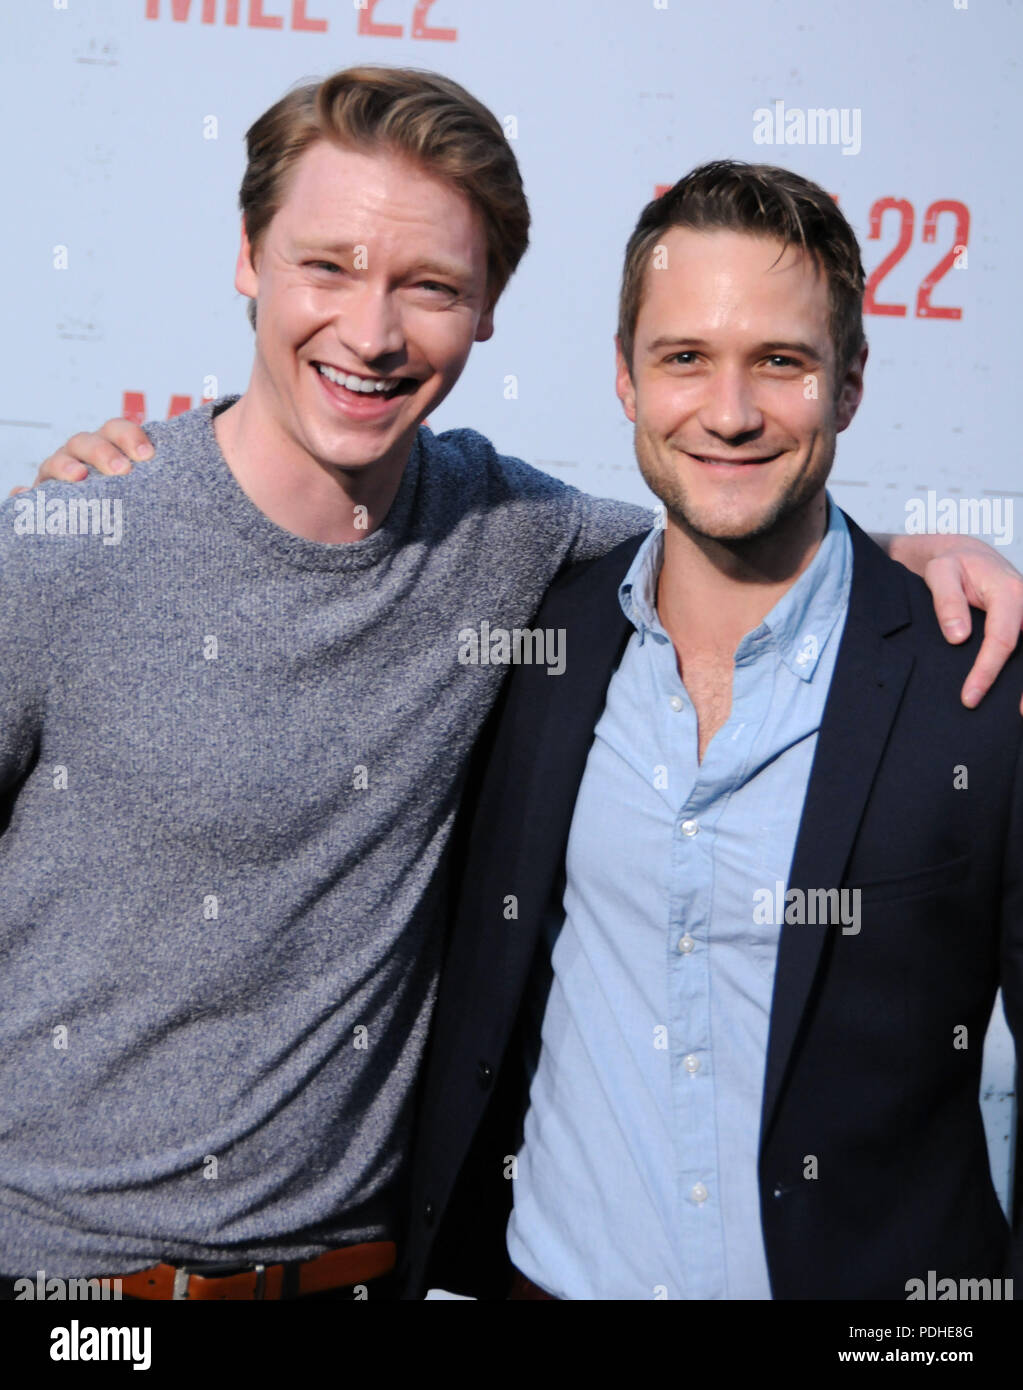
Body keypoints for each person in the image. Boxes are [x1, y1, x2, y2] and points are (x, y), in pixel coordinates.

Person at [13, 71, 1023, 1302]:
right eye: (328, 266)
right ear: (248, 258)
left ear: (486, 308)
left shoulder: (510, 543)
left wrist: (920, 561)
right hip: (71, 1302)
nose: (372, 331)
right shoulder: (70, 543)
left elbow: (727, 509)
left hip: (361, 1282)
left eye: (429, 285)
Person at [401, 161, 1023, 1302]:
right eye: (684, 357)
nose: (729, 412)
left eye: (779, 362)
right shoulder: (536, 643)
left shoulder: (978, 680)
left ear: (848, 385)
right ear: (628, 383)